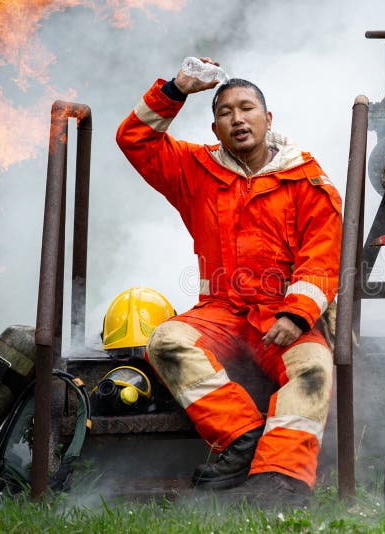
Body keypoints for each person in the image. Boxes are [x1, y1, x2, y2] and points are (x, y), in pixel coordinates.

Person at [116, 57, 342, 507]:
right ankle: (242, 438)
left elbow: (323, 257)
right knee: (165, 341)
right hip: (220, 313)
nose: (237, 119)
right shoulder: (196, 169)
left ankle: (279, 481)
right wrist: (177, 88)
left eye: (247, 108)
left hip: (282, 316)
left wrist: (297, 316)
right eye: (225, 112)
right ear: (215, 128)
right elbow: (135, 139)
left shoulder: (307, 181)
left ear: (268, 119)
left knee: (313, 370)